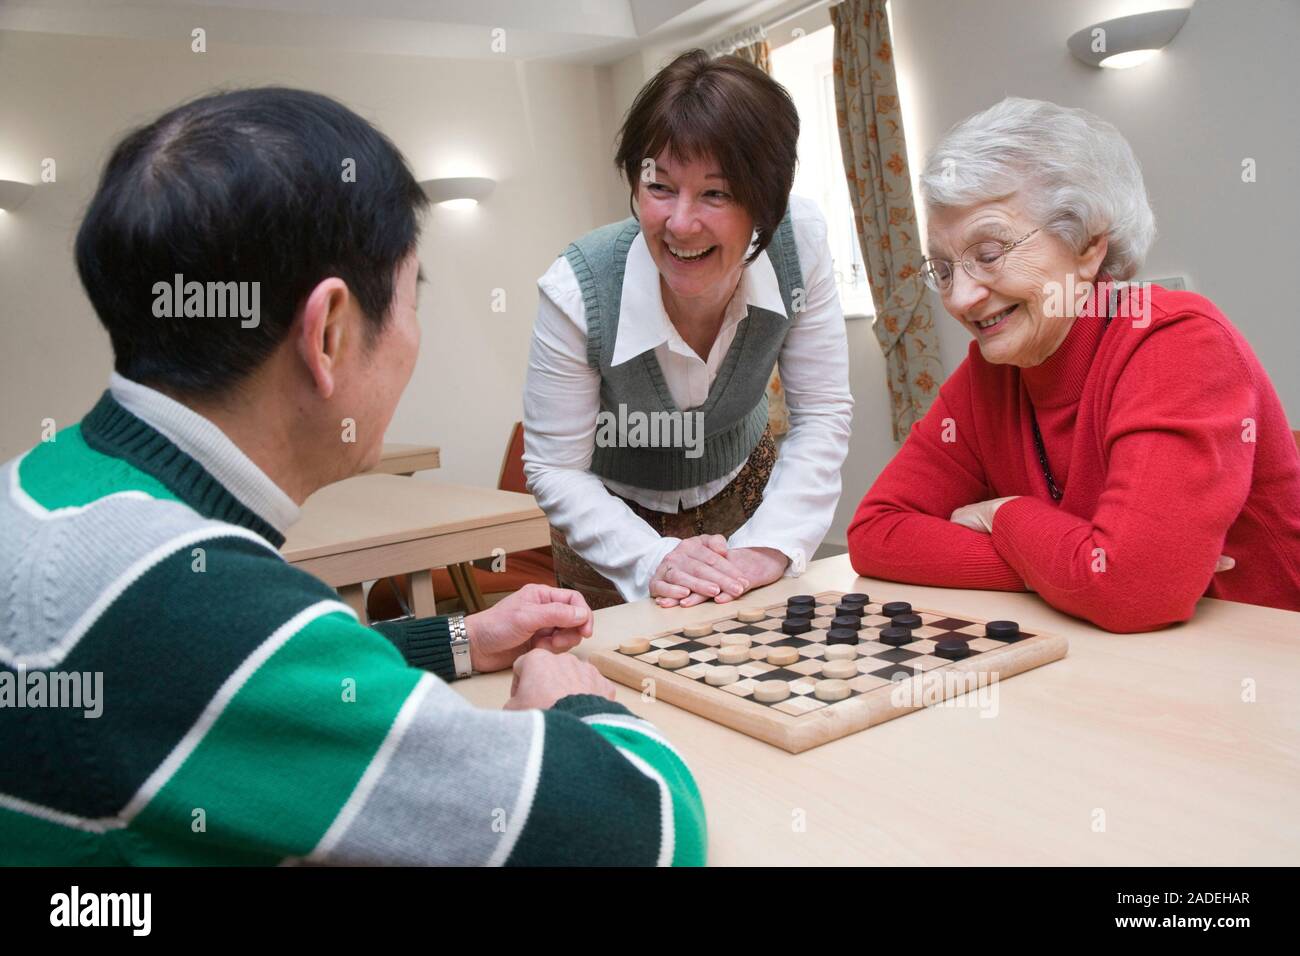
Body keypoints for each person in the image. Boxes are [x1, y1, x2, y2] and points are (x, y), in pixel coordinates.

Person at [0, 88, 705, 865]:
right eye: (412, 297)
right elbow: (644, 831)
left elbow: (254, 684)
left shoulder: (45, 488)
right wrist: (572, 705)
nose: (412, 336)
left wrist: (462, 639)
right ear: (329, 333)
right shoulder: (183, 603)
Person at [848, 97, 1300, 633]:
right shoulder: (989, 375)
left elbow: (1133, 590)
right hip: (1103, 656)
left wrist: (1003, 514)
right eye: (942, 269)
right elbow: (876, 533)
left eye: (989, 254)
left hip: (1258, 664)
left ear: (1087, 245)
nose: (961, 298)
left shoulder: (1178, 342)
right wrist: (1078, 561)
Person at [523, 49, 854, 611]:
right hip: (612, 528)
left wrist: (770, 545)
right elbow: (556, 467)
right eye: (659, 187)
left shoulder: (801, 245)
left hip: (748, 494)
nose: (679, 223)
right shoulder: (577, 290)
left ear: (765, 204)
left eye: (716, 193)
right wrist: (654, 559)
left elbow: (821, 412)